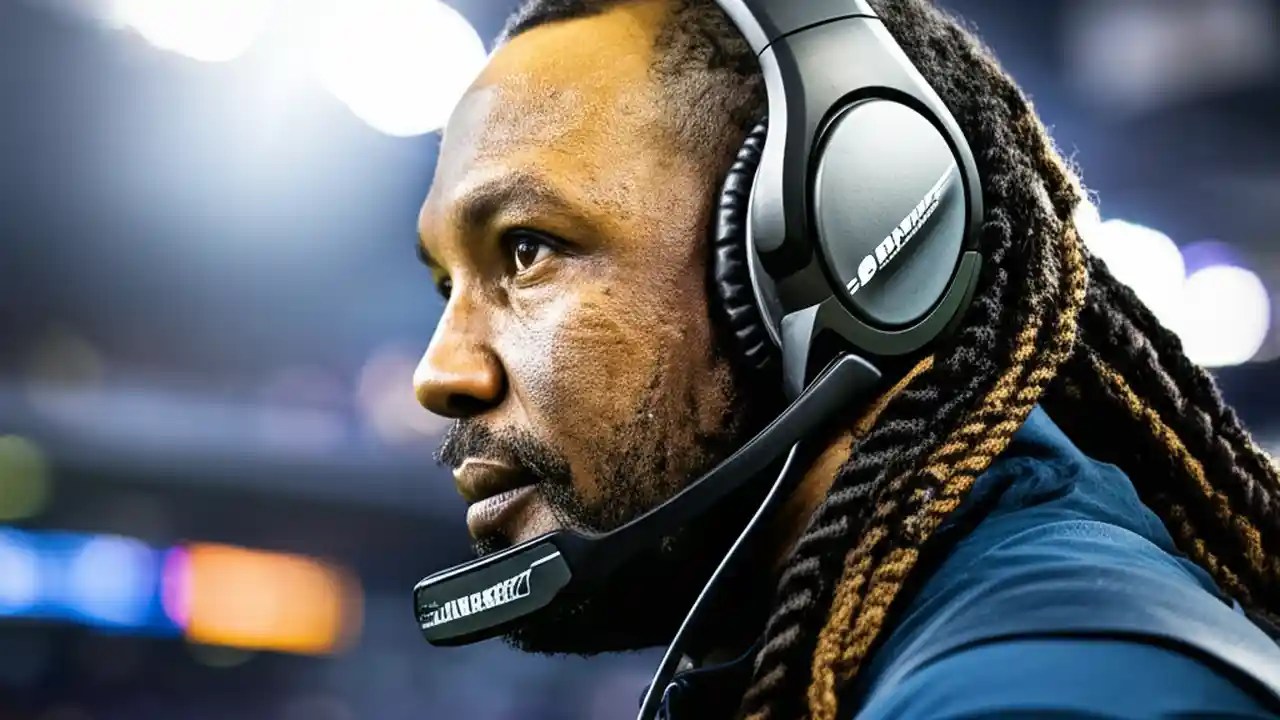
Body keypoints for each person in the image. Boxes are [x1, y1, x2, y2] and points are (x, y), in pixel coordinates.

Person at [412, 0, 1280, 717]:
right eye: (445, 282)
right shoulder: (844, 652)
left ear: (845, 241)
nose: (439, 374)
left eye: (526, 250)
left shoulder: (1049, 691)